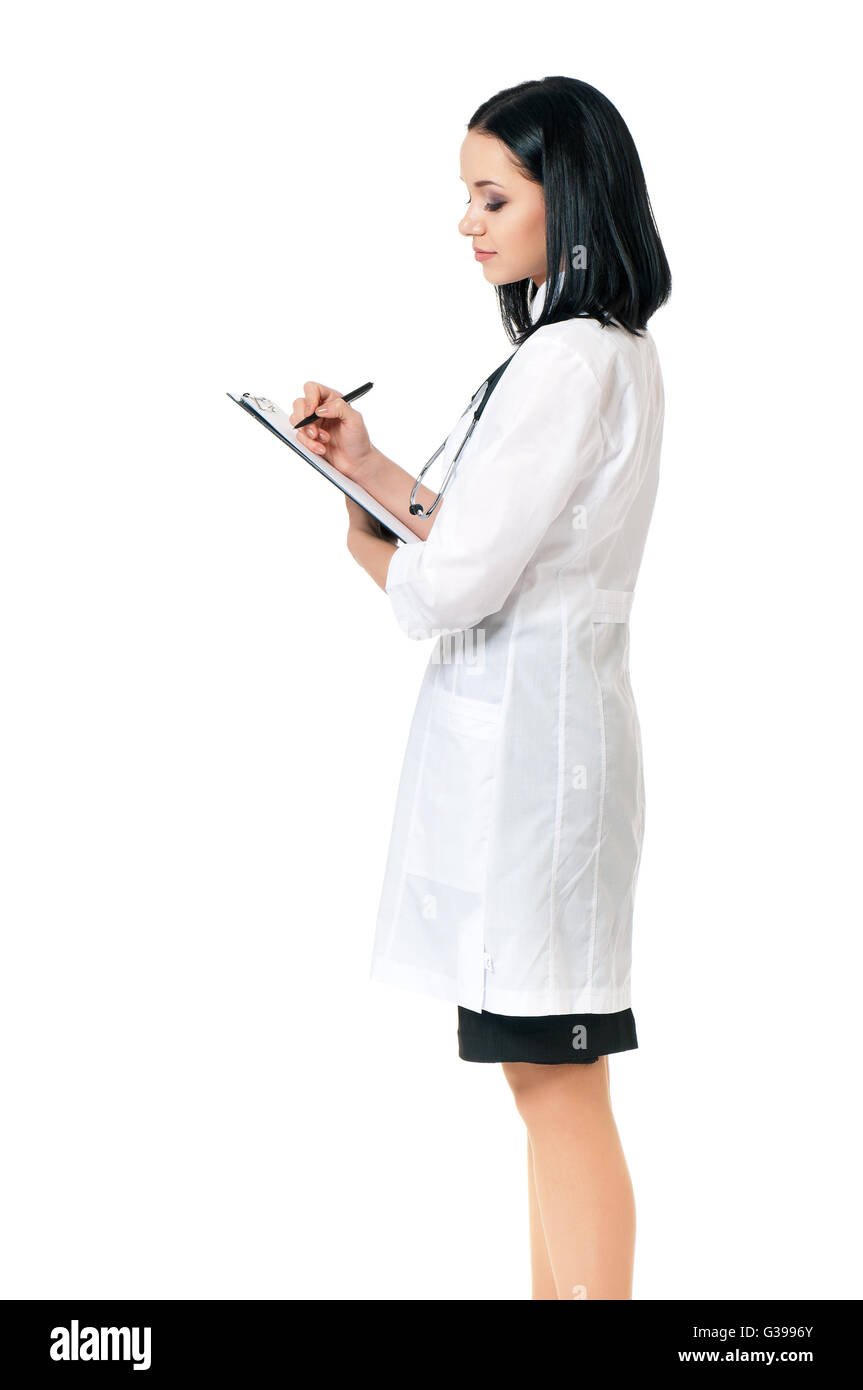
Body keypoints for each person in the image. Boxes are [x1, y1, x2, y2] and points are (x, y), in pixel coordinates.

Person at [290, 75, 670, 1301]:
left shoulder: (570, 362)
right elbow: (485, 537)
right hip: (536, 758)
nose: (468, 223)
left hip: (538, 770)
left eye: (491, 196)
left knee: (555, 1083)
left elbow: (452, 580)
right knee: (540, 1078)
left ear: (570, 199)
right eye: (466, 197)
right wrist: (369, 466)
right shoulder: (588, 355)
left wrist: (372, 547)